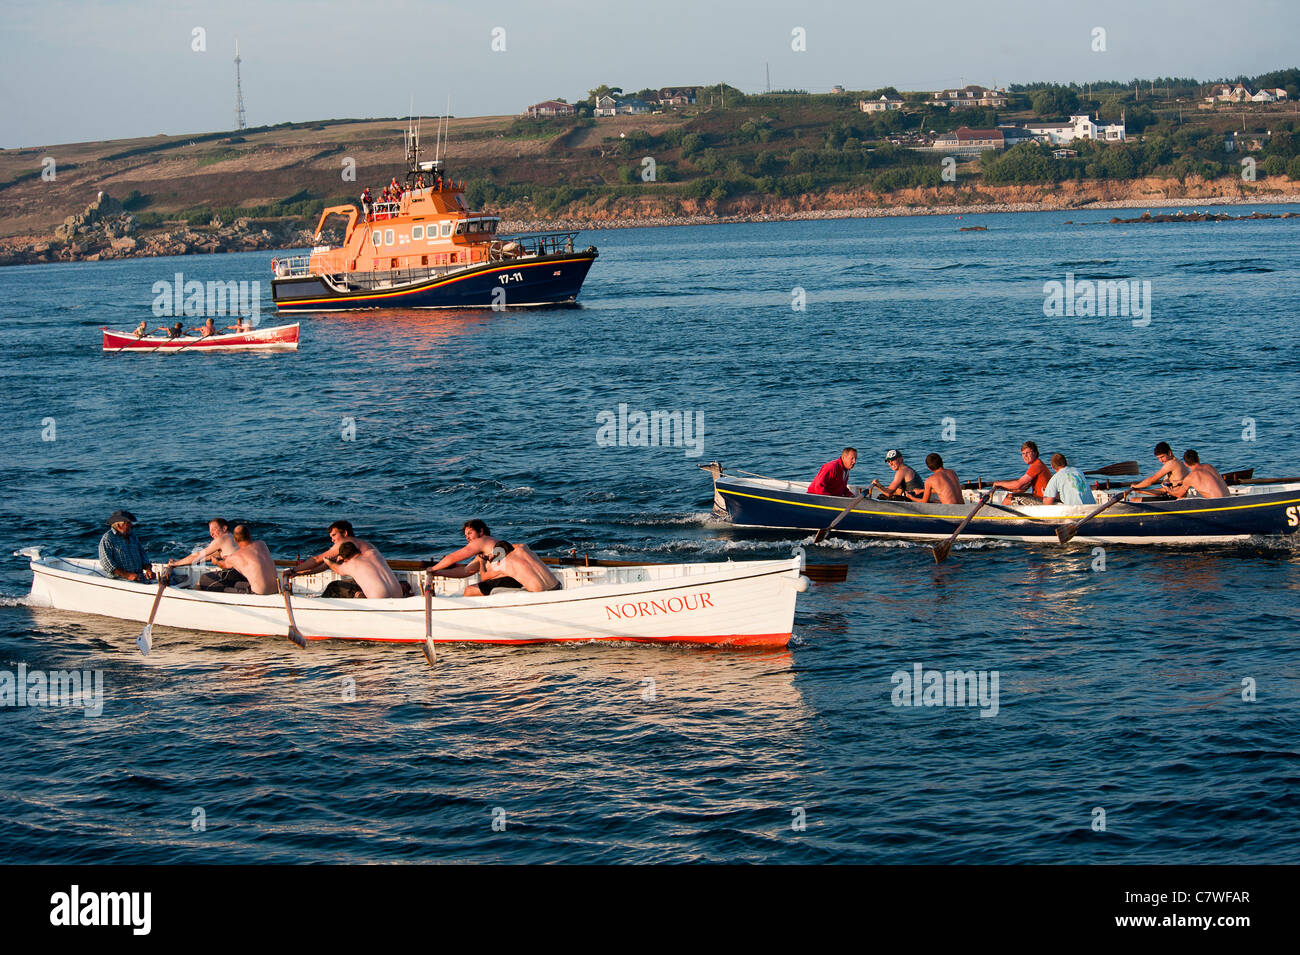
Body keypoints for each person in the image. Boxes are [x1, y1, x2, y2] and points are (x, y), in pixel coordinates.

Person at [427, 519, 561, 596]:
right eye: (465, 535)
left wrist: (432, 568)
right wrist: (439, 573)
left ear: (481, 532)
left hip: (516, 581)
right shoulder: (509, 548)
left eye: (470, 533)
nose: (467, 537)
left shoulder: (481, 542)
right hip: (550, 584)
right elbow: (466, 571)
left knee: (469, 590)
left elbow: (452, 558)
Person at [286, 520, 384, 598]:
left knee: (334, 587)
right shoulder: (365, 544)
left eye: (334, 535)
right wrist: (299, 573)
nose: (332, 540)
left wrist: (293, 570)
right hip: (378, 583)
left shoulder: (347, 542)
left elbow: (317, 559)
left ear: (345, 533)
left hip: (372, 588)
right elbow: (324, 566)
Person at [168, 518, 239, 589]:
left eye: (214, 529)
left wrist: (175, 564)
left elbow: (198, 555)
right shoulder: (232, 538)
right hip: (241, 573)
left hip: (233, 572)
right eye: (210, 531)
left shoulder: (222, 538)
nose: (211, 534)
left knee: (203, 579)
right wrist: (179, 562)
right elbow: (204, 558)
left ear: (224, 528)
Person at [206, 524, 278, 595]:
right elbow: (247, 555)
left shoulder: (234, 557)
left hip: (257, 594)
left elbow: (223, 565)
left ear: (235, 540)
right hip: (275, 590)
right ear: (249, 535)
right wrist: (229, 557)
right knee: (237, 584)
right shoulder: (262, 544)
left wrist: (215, 562)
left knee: (213, 585)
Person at [322, 540, 403, 598]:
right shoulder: (374, 553)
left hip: (378, 599)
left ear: (345, 559)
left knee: (333, 586)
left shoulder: (351, 564)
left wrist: (327, 561)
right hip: (399, 594)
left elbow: (337, 569)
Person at [98, 510, 158, 582]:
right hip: (120, 580)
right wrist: (128, 575)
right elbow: (107, 564)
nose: (131, 525)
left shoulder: (132, 536)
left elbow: (143, 557)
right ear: (118, 525)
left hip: (140, 577)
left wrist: (149, 570)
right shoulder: (108, 538)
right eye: (128, 523)